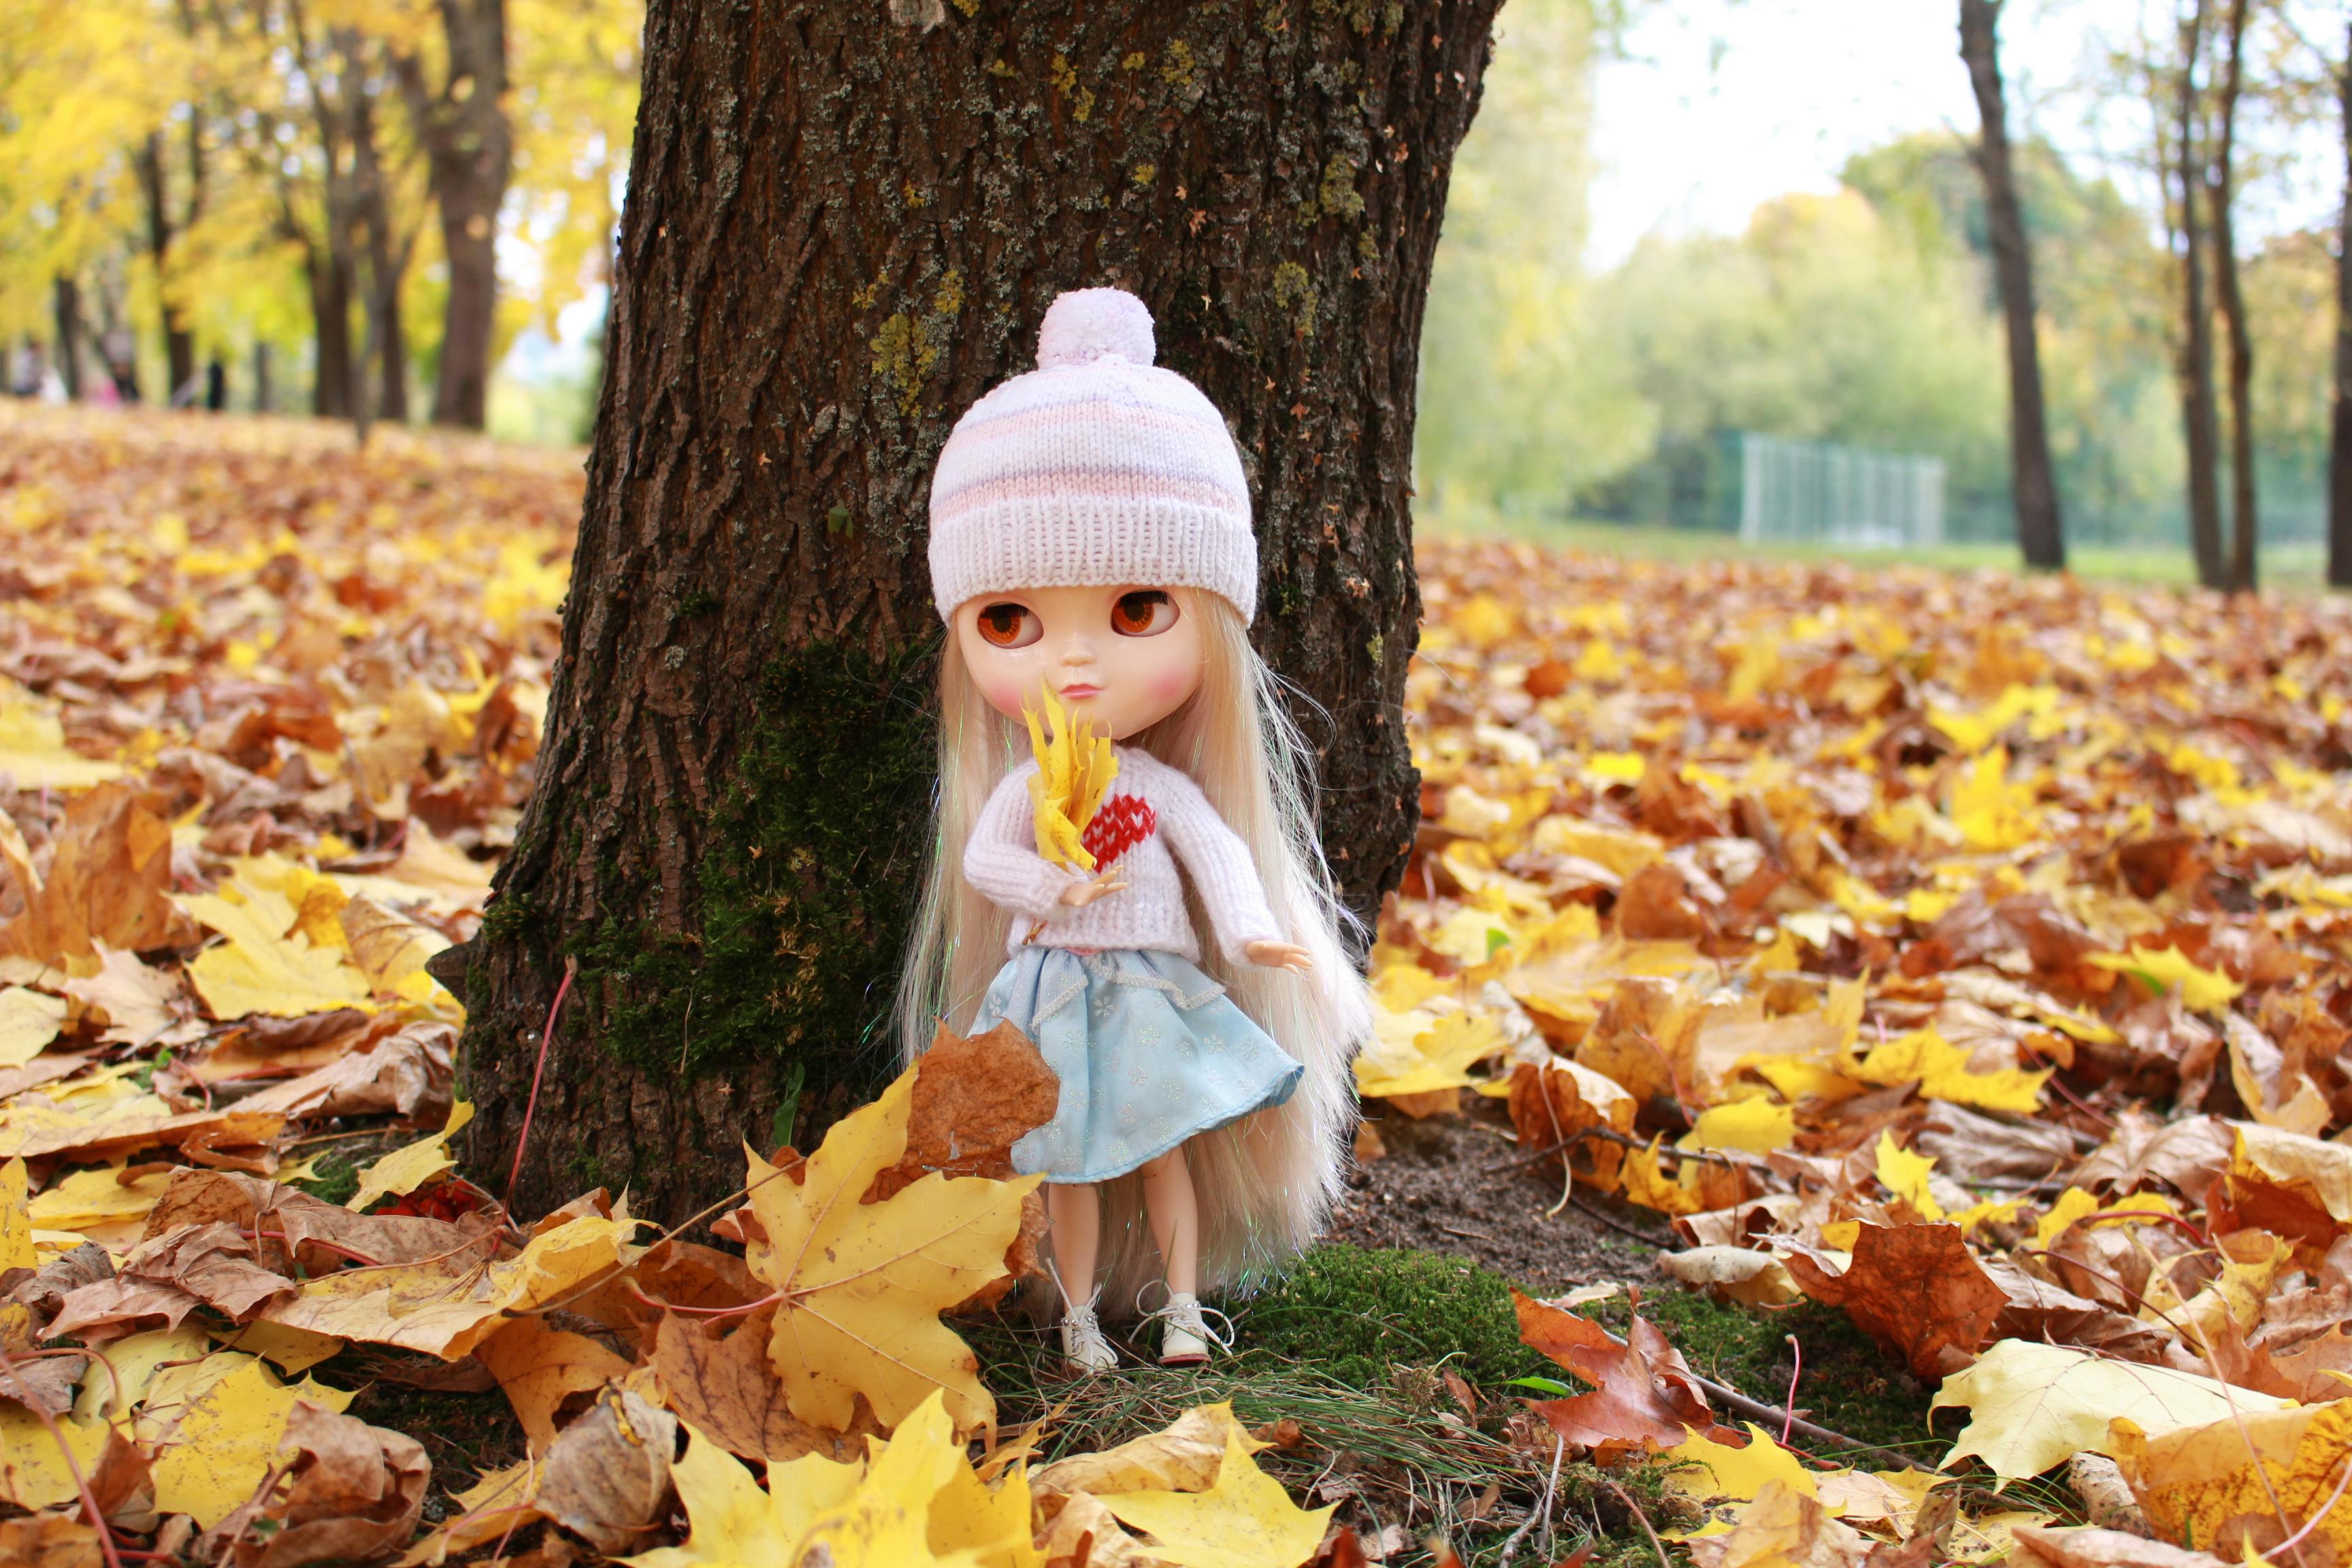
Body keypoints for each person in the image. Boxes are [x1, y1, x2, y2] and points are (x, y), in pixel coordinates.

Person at [899, 287, 1369, 1373]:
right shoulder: (1028, 785)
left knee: (1167, 1151)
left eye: (1133, 612)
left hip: (1157, 993)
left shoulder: (1154, 786)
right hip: (1054, 993)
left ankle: (1184, 1308)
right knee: (1066, 1160)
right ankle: (1073, 1315)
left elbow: (1216, 853)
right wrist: (1047, 891)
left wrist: (1252, 934)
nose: (1074, 664)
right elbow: (985, 859)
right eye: (1011, 621)